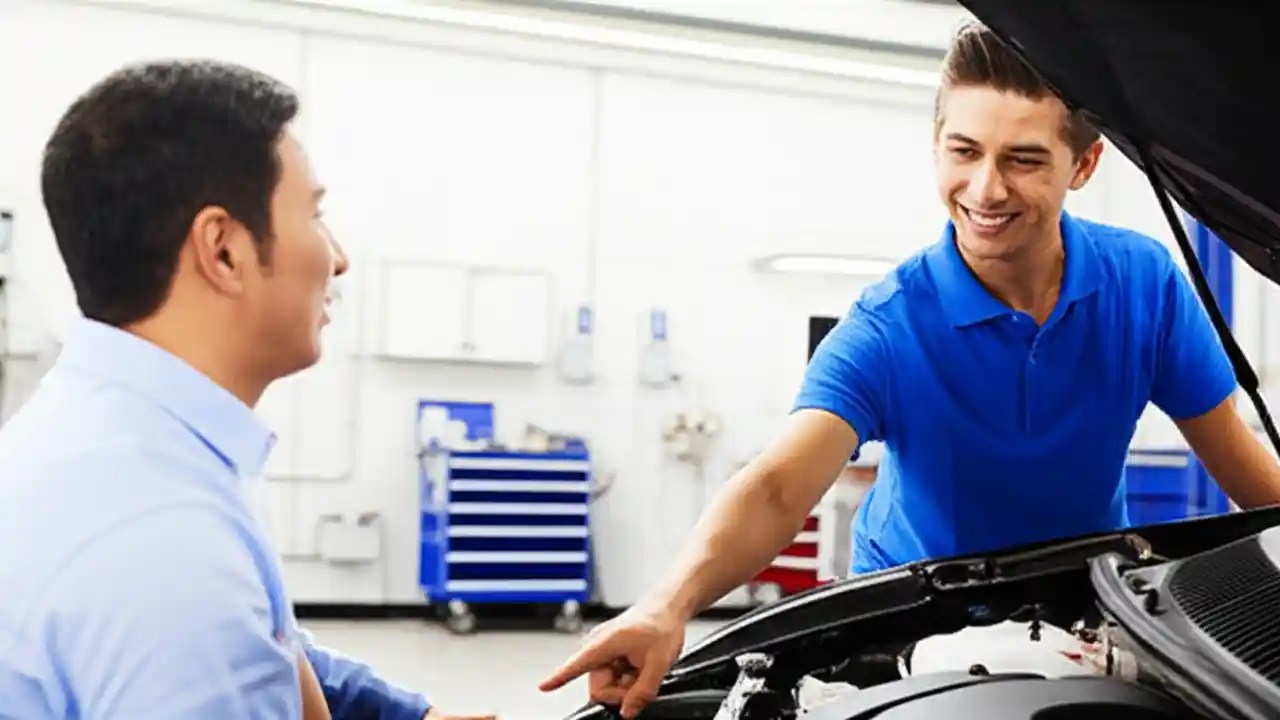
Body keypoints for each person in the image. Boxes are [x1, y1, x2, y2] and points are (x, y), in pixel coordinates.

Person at [538, 21, 1280, 719]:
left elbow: (1244, 467)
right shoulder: (891, 324)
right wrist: (666, 605)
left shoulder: (1143, 285)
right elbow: (776, 488)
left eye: (1022, 159)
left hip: (1082, 597)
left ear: (1084, 165)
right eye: (964, 151)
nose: (986, 189)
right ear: (936, 147)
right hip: (907, 620)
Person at [0, 60, 492, 720]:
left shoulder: (107, 437)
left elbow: (266, 639)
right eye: (315, 214)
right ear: (224, 250)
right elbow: (213, 618)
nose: (338, 256)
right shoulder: (171, 544)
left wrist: (402, 717)